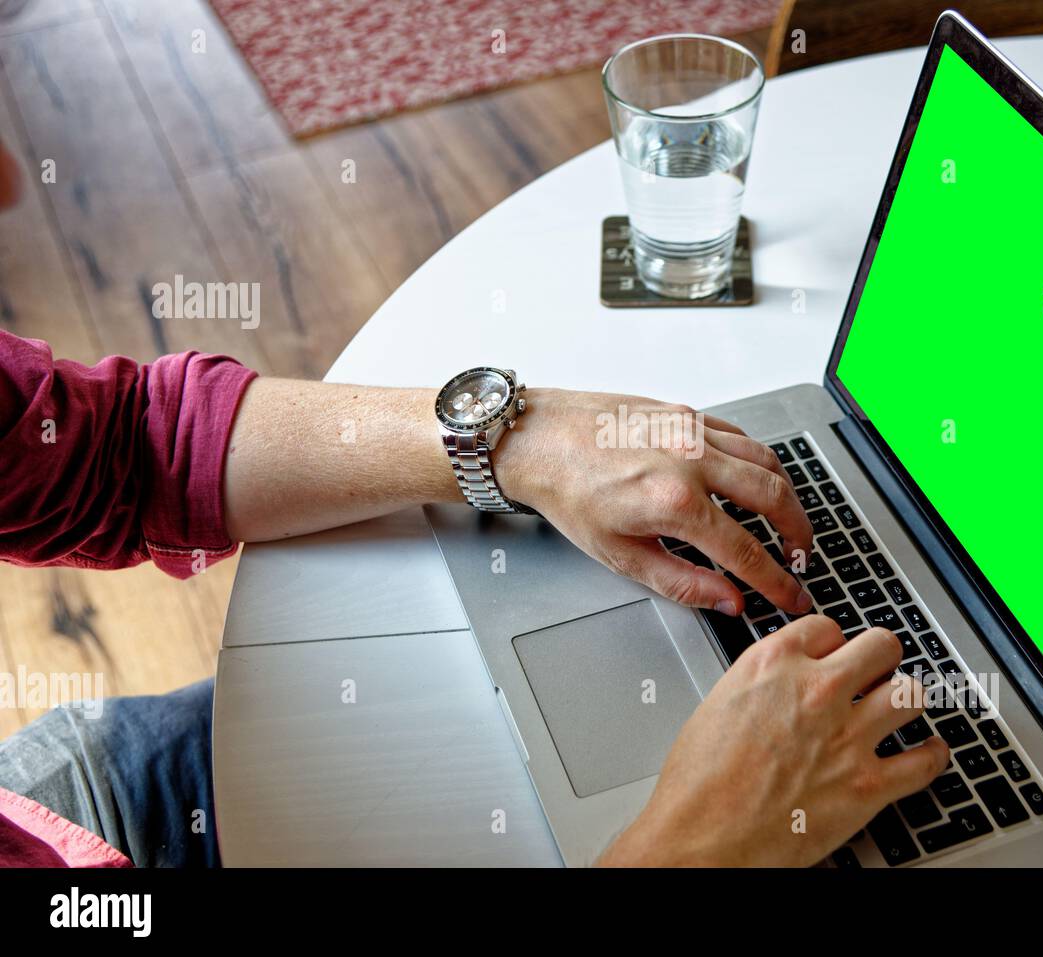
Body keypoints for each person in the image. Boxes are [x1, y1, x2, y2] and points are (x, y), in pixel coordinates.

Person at [0, 140, 947, 868]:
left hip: (84, 793)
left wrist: (507, 437)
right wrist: (699, 841)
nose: (9, 182)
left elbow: (123, 446)